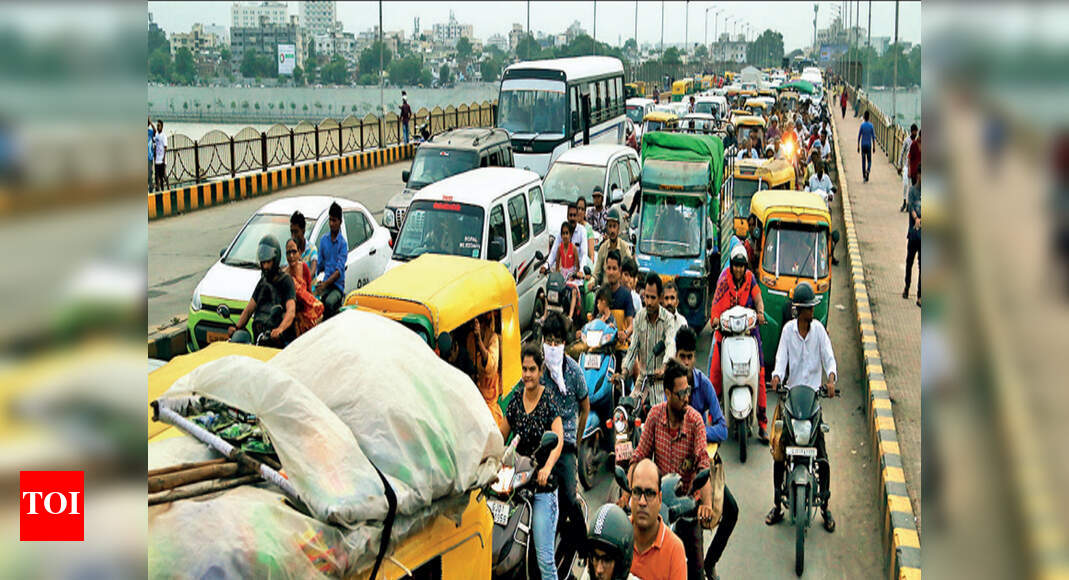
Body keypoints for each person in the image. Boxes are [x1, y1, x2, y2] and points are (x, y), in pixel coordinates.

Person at [625, 362, 713, 580]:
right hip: (658, 503)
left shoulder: (695, 422)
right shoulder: (654, 416)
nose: (686, 397)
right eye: (681, 393)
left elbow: (704, 464)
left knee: (696, 571)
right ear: (667, 394)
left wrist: (707, 505)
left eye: (688, 391)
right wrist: (628, 493)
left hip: (687, 505)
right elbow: (638, 457)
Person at [766, 281, 837, 532]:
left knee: (823, 457)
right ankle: (777, 503)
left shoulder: (819, 331)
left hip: (813, 402)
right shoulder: (787, 332)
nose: (812, 311)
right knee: (779, 454)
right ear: (799, 310)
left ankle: (826, 507)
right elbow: (780, 359)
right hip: (792, 402)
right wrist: (776, 377)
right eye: (808, 308)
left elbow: (829, 359)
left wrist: (830, 380)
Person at [671, 326, 739, 579]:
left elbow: (722, 429)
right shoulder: (669, 387)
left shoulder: (704, 384)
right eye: (682, 357)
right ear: (675, 355)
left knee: (731, 511)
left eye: (690, 357)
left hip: (704, 466)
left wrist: (699, 432)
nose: (686, 362)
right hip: (676, 469)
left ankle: (710, 562)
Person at [500, 345, 565, 580]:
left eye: (532, 369)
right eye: (524, 369)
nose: (527, 374)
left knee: (544, 560)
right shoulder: (517, 397)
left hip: (541, 486)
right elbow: (501, 435)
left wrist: (547, 468)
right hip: (515, 482)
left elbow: (558, 439)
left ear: (541, 370)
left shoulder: (547, 399)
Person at [540, 312, 590, 578]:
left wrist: (577, 440)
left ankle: (585, 551)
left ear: (564, 343)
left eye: (557, 340)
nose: (552, 345)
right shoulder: (537, 372)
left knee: (569, 498)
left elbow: (584, 406)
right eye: (548, 340)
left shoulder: (574, 372)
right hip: (541, 444)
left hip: (567, 442)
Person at [708, 245, 768, 441]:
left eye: (742, 266)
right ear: (732, 265)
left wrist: (760, 312)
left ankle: (762, 422)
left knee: (759, 372)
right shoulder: (724, 280)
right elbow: (716, 305)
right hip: (725, 334)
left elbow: (758, 298)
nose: (739, 270)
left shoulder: (750, 279)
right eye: (736, 266)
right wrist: (715, 319)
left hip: (748, 332)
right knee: (715, 374)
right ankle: (712, 420)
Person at [227, 235, 296, 348]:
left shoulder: (286, 281)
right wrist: (237, 327)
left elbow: (291, 311)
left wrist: (280, 329)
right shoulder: (262, 282)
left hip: (277, 342)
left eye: (268, 262)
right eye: (263, 263)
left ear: (276, 259)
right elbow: (249, 310)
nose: (265, 266)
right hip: (259, 339)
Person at [627, 458, 688, 580]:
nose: (642, 502)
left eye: (649, 494)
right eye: (637, 492)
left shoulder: (674, 550)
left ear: (660, 499)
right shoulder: (617, 532)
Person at [622, 273, 677, 401]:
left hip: (661, 384)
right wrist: (624, 372)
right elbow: (633, 348)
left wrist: (664, 368)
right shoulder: (639, 317)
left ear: (660, 298)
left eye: (653, 298)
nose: (649, 302)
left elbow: (670, 345)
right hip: (642, 381)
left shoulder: (668, 319)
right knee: (626, 411)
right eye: (647, 297)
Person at [580, 504, 640, 580]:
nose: (599, 570)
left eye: (607, 560)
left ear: (621, 565)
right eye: (595, 557)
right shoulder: (588, 576)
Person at [470, 310, 504, 429]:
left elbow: (490, 367)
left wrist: (479, 340)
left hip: (489, 402)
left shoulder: (493, 338)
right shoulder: (469, 338)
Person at [602, 250, 636, 368]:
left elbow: (631, 325)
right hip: (602, 348)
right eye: (609, 268)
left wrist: (625, 334)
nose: (611, 272)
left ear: (620, 270)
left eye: (614, 268)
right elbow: (594, 321)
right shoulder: (601, 293)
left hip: (620, 348)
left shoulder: (626, 295)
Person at [285, 237, 324, 336]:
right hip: (293, 313)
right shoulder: (285, 275)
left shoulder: (304, 268)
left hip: (306, 309)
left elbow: (309, 293)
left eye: (294, 252)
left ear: (299, 253)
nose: (291, 256)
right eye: (288, 253)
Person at [314, 202, 347, 318]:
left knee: (328, 303)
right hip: (326, 284)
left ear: (340, 222)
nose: (332, 224)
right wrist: (313, 280)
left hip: (337, 287)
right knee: (312, 302)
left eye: (334, 221)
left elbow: (338, 272)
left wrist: (324, 285)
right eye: (330, 220)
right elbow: (319, 265)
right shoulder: (324, 240)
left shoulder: (343, 244)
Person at [593, 208, 633, 286]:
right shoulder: (603, 248)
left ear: (618, 228)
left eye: (614, 226)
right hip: (605, 292)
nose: (612, 230)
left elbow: (631, 270)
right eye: (610, 226)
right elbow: (596, 273)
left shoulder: (624, 247)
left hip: (620, 292)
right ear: (607, 228)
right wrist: (592, 281)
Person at [546, 202, 590, 273]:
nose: (572, 218)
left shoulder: (582, 231)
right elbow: (554, 252)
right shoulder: (563, 230)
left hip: (577, 274)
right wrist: (546, 265)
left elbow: (584, 254)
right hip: (563, 273)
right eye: (570, 215)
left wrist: (581, 271)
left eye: (574, 215)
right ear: (567, 216)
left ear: (577, 216)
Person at [904, 165, 922, 307]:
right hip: (913, 235)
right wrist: (916, 218)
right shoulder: (912, 191)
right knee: (909, 262)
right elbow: (910, 207)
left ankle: (920, 295)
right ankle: (907, 286)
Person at [290, 211, 317, 276]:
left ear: (303, 231)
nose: (293, 236)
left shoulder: (312, 250)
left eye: (296, 232)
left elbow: (312, 271)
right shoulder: (291, 251)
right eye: (292, 232)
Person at [899, 124, 918, 212]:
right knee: (906, 185)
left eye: (916, 132)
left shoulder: (917, 143)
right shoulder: (907, 141)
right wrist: (900, 165)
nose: (915, 133)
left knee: (912, 187)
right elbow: (902, 153)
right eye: (914, 132)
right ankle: (904, 201)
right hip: (906, 166)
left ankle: (909, 204)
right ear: (912, 131)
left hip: (914, 168)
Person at [576, 196, 597, 263]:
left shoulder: (588, 229)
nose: (580, 211)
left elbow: (591, 255)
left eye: (582, 209)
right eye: (578, 208)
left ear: (585, 212)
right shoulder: (570, 226)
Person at [858, 110, 875, 182]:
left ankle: (864, 176)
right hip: (869, 145)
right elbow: (873, 137)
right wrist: (874, 147)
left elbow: (859, 136)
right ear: (869, 117)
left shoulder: (862, 125)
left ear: (864, 117)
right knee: (869, 160)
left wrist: (858, 146)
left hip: (863, 145)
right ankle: (868, 169)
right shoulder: (871, 126)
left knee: (863, 160)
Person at [153, 119, 168, 192]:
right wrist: (155, 156)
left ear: (162, 127)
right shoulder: (156, 135)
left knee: (163, 176)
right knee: (157, 176)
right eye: (157, 126)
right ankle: (158, 189)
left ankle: (167, 188)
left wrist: (164, 158)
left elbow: (165, 147)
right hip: (157, 159)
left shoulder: (164, 136)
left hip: (162, 159)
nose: (157, 127)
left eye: (159, 126)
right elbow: (155, 144)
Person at [147, 118, 156, 191]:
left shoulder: (150, 132)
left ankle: (151, 188)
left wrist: (150, 122)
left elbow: (155, 131)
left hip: (149, 156)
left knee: (149, 173)